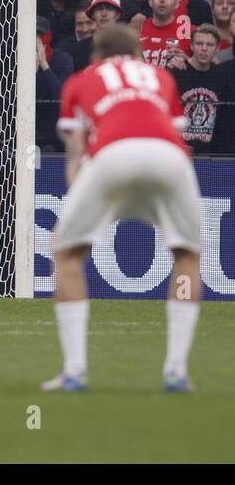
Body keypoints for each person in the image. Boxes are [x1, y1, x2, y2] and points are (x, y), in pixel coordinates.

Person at [44, 24, 201, 393]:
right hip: (170, 157)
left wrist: (78, 189)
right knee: (187, 256)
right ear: (138, 56)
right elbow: (175, 128)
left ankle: (75, 370)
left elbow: (76, 148)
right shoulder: (160, 76)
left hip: (112, 154)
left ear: (96, 56)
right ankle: (177, 370)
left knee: (67, 253)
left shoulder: (82, 79)